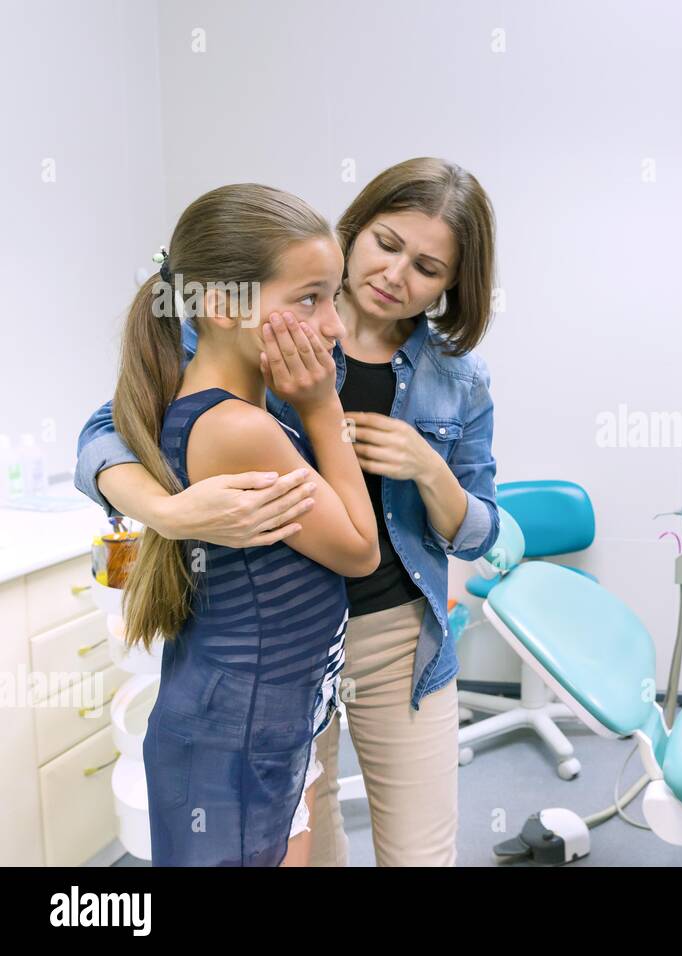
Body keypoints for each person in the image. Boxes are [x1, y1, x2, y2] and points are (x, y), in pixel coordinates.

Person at [76, 158, 502, 866]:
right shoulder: (245, 326)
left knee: (420, 850)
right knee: (308, 828)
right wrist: (170, 513)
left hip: (396, 637)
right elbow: (110, 429)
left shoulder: (458, 379)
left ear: (452, 284)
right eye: (388, 244)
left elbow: (482, 529)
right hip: (279, 645)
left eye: (428, 267)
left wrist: (431, 471)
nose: (397, 275)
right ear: (357, 228)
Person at [114, 183, 379, 865]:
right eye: (309, 298)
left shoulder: (236, 402)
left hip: (261, 714)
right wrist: (323, 409)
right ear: (222, 306)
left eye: (334, 296)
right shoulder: (237, 426)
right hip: (235, 728)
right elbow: (358, 550)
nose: (333, 326)